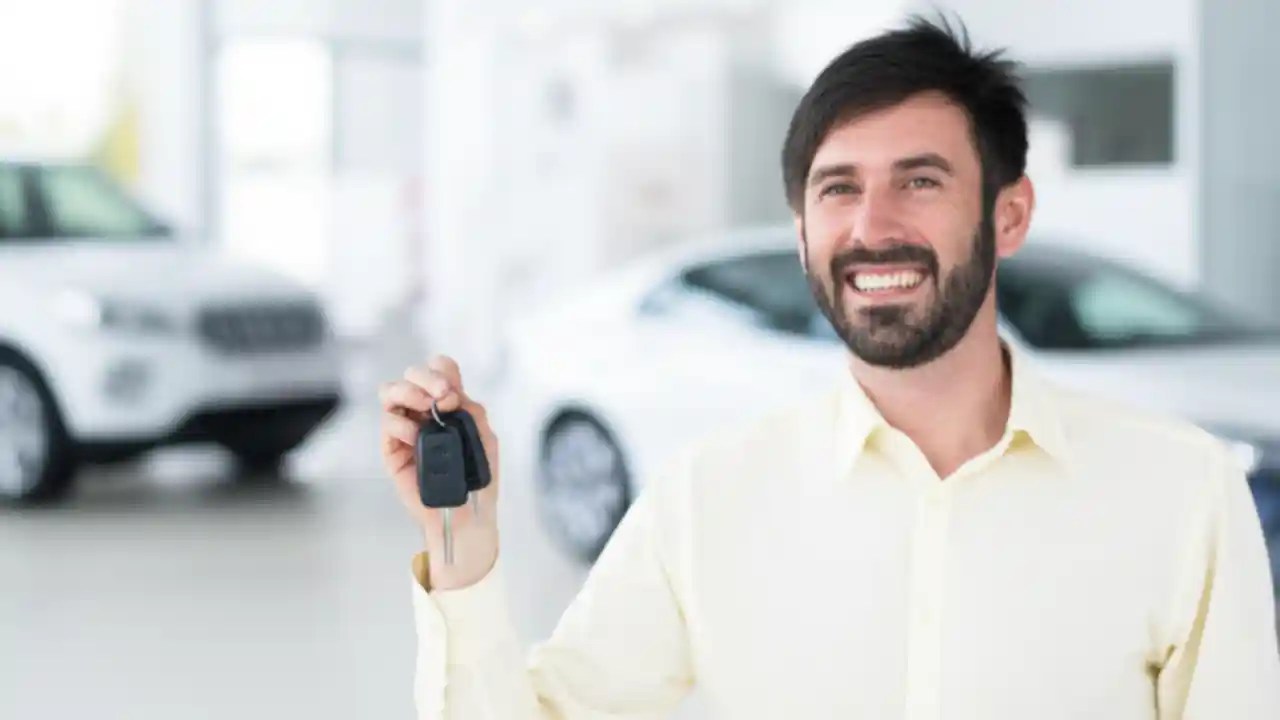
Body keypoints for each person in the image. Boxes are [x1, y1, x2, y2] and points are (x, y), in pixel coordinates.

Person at [378, 17, 1280, 719]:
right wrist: (463, 544)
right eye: (837, 187)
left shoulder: (1182, 490)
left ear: (1009, 216)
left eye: (919, 181)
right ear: (803, 231)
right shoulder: (706, 498)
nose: (872, 224)